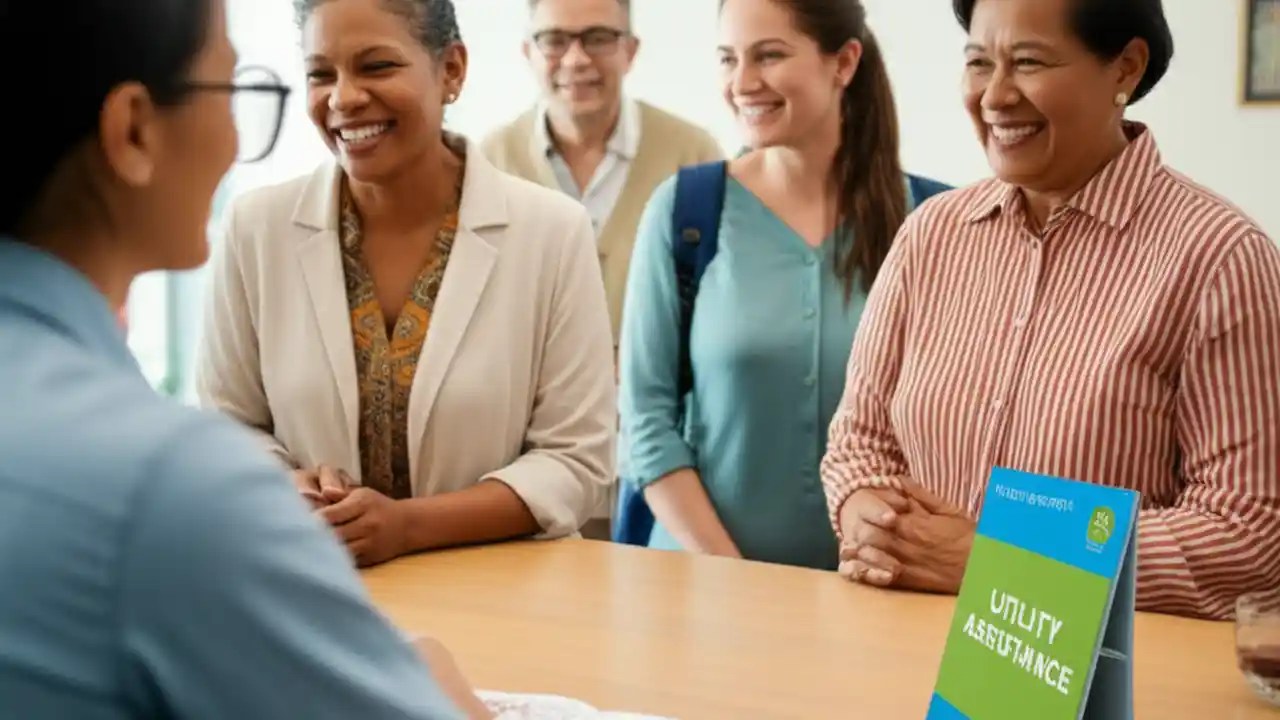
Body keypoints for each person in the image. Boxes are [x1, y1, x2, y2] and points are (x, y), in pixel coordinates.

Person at [0, 0, 489, 717]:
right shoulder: (170, 489)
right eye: (231, 89)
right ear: (133, 129)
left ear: (451, 70)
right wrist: (439, 687)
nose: (237, 140)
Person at [822, 0, 1280, 620]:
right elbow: (859, 440)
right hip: (901, 652)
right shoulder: (930, 235)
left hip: (1096, 687)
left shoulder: (1221, 258)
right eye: (979, 62)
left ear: (1125, 69)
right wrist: (875, 521)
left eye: (1029, 62)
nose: (995, 95)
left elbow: (1246, 532)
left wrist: (1002, 561)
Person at [196, 0, 616, 567]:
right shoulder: (254, 229)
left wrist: (407, 527)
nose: (342, 98)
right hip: (309, 583)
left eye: (376, 66)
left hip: (505, 597)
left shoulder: (552, 232)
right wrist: (287, 485)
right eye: (322, 74)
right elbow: (225, 426)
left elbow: (574, 459)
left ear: (452, 70)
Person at [618, 0, 950, 569]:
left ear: (844, 63)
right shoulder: (687, 212)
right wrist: (729, 575)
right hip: (699, 592)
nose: (742, 83)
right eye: (728, 59)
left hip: (880, 595)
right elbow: (646, 424)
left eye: (768, 55)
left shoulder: (934, 220)